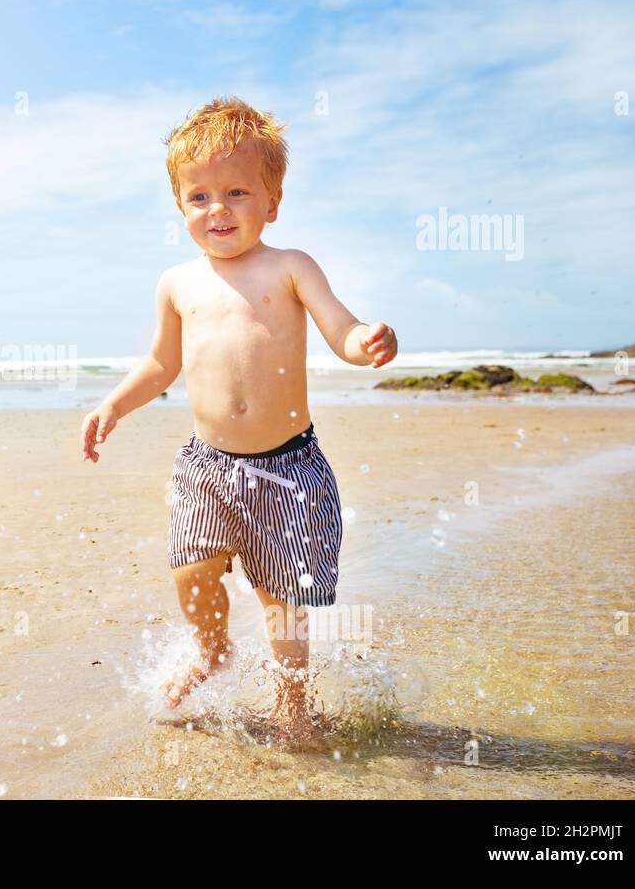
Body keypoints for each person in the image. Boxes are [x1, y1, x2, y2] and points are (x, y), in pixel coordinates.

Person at [79, 95, 398, 743]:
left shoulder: (290, 268)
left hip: (287, 467)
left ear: (272, 202)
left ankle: (291, 703)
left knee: (282, 597)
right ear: (180, 206)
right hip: (207, 464)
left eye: (236, 192)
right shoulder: (177, 283)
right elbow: (161, 365)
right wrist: (113, 403)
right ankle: (211, 647)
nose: (216, 209)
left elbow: (338, 327)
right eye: (199, 197)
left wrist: (364, 339)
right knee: (190, 569)